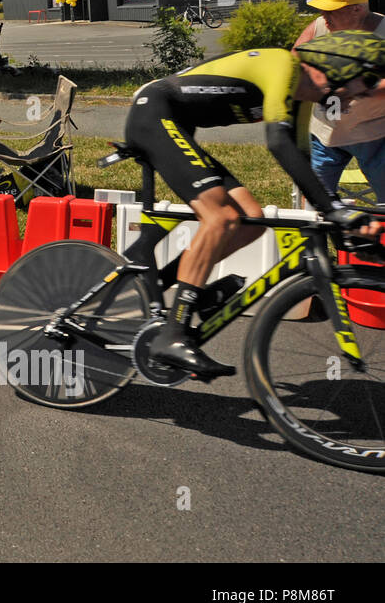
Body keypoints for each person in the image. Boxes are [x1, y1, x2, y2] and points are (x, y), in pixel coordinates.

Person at [123, 31, 385, 380]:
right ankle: (172, 333)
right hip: (153, 112)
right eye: (365, 80)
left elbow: (303, 163)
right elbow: (277, 142)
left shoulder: (300, 102)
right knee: (220, 216)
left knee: (250, 218)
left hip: (174, 123)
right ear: (336, 67)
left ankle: (174, 282)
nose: (365, 92)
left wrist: (335, 214)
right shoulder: (283, 67)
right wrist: (335, 209)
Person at [291, 0, 385, 200]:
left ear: (357, 10)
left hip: (374, 136)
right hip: (325, 134)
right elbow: (293, 64)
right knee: (314, 205)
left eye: (331, 10)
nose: (324, 15)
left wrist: (356, 88)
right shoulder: (320, 26)